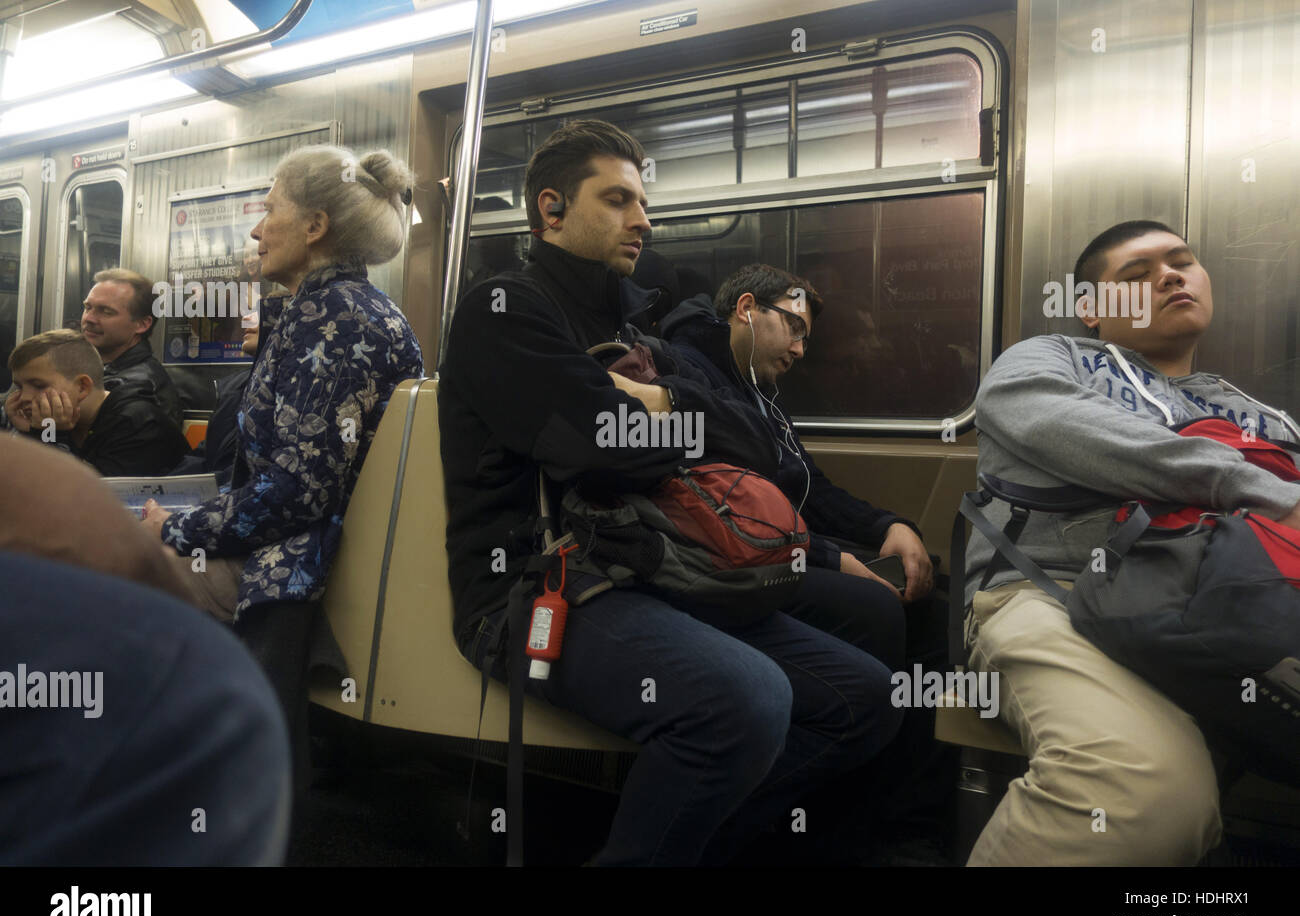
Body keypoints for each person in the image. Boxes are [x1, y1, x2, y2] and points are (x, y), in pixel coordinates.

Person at [439, 118, 903, 866]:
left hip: (650, 561)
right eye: (618, 200)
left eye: (642, 202)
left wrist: (660, 403)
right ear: (551, 210)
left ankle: (694, 842)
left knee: (867, 698)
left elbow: (746, 440)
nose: (644, 221)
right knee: (746, 699)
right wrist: (666, 414)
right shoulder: (506, 311)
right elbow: (599, 446)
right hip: (539, 583)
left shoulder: (632, 321)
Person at [962, 219, 1300, 865]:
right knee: (1137, 790)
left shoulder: (1258, 413)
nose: (1170, 275)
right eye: (1136, 274)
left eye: (1181, 262)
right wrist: (1265, 492)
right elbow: (1071, 429)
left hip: (1229, 598)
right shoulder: (1047, 360)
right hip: (1053, 593)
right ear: (1090, 308)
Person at [138, 145, 425, 814]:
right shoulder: (334, 310)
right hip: (316, 534)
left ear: (315, 226)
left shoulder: (332, 323)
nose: (256, 229)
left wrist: (176, 528)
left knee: (117, 562)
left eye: (269, 210)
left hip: (305, 554)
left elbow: (299, 491)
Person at [661, 264, 954, 862]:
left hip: (780, 545)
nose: (799, 348)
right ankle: (836, 824)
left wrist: (887, 527)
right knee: (876, 609)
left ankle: (904, 819)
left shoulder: (762, 394)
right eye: (793, 327)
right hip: (720, 562)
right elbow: (708, 501)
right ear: (747, 308)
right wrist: (830, 557)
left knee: (937, 605)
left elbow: (810, 490)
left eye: (805, 337)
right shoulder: (686, 370)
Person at [0, 435, 290, 865]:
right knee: (211, 698)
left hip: (270, 554)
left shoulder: (136, 412)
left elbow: (284, 498)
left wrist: (175, 527)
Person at [4, 329, 190, 476]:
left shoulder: (139, 424)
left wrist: (49, 435)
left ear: (83, 387)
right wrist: (25, 433)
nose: (25, 397)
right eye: (19, 387)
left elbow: (80, 499)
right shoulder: (60, 423)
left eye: (38, 385)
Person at [170, 298, 269, 486]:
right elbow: (207, 454)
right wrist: (168, 487)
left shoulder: (288, 389)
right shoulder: (233, 387)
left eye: (260, 315)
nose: (247, 319)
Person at [81, 267, 184, 426]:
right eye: (88, 307)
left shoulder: (138, 390)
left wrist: (53, 432)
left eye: (106, 311)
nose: (89, 319)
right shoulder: (97, 370)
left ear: (142, 324)